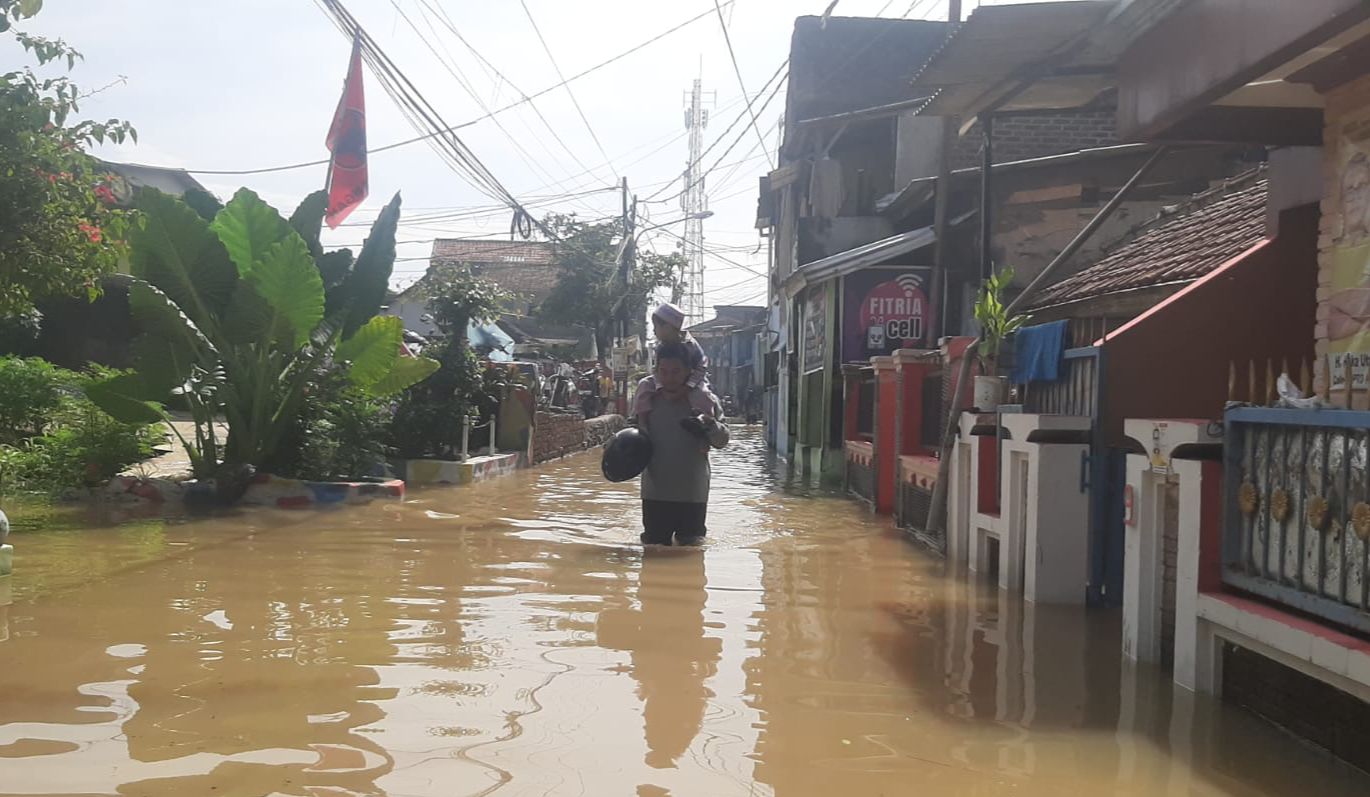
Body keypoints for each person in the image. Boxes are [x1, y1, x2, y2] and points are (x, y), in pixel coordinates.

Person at [638, 342, 729, 546]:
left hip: (692, 494)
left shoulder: (705, 400)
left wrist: (709, 424)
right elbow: (633, 437)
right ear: (656, 370)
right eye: (664, 371)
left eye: (676, 372)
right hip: (655, 493)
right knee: (653, 552)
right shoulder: (647, 399)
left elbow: (722, 441)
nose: (669, 377)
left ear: (689, 371)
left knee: (692, 551)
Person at [633, 302, 717, 427]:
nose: (654, 331)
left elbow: (701, 367)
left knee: (702, 395)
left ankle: (705, 422)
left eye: (656, 327)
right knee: (644, 385)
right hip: (663, 380)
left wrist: (687, 387)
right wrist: (660, 387)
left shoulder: (690, 345)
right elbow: (656, 370)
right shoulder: (660, 347)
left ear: (668, 327)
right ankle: (639, 420)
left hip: (691, 381)